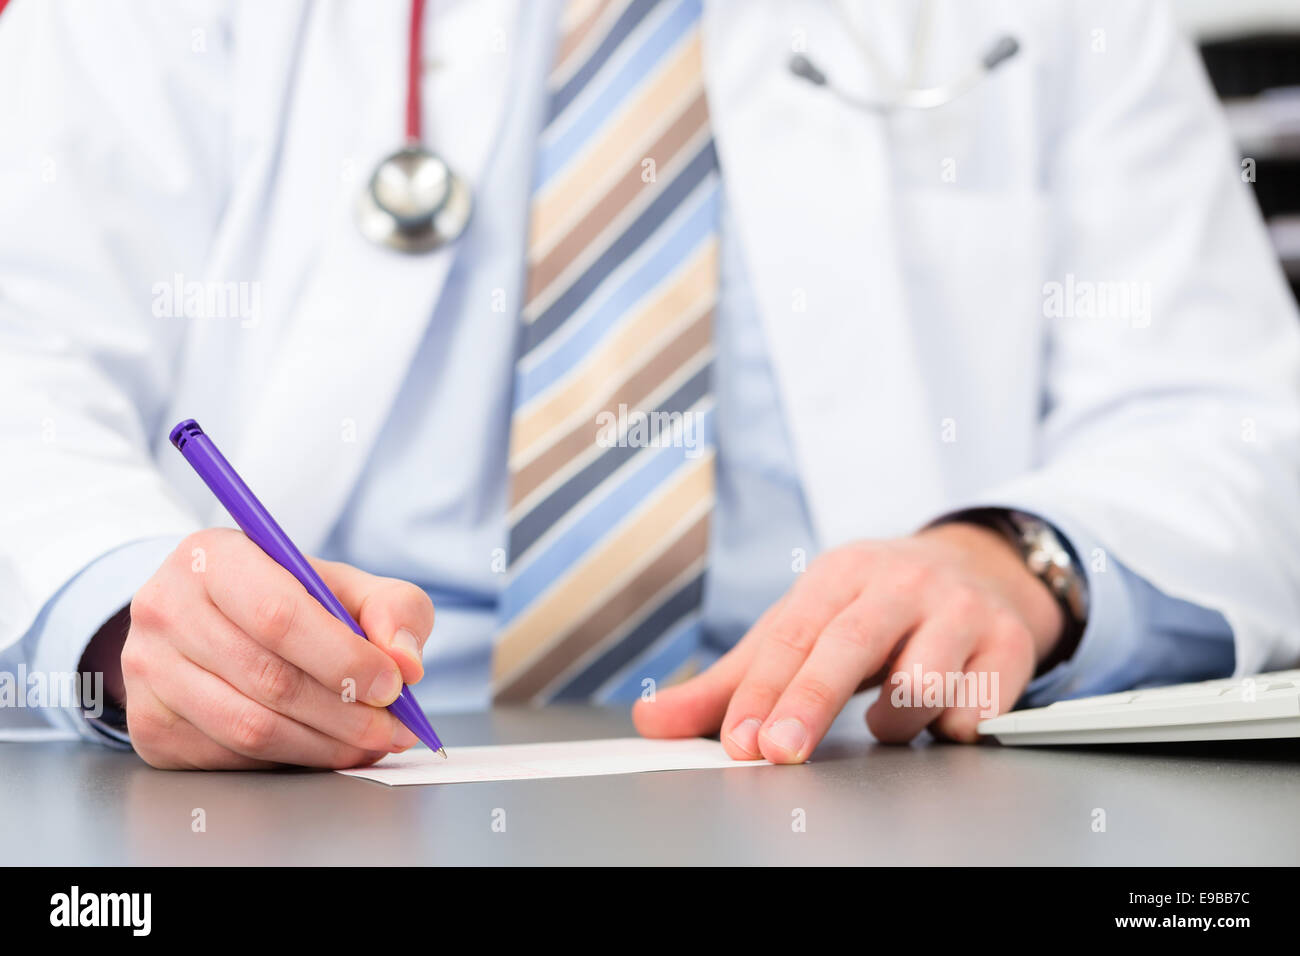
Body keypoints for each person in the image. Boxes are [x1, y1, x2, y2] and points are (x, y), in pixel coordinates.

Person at [1, 0, 1297, 771]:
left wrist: (1022, 559)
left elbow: (1232, 417)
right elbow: (24, 360)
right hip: (319, 776)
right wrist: (128, 613)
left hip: (866, 766)